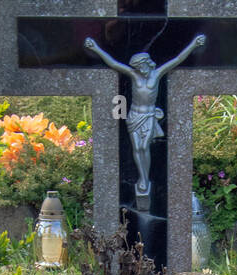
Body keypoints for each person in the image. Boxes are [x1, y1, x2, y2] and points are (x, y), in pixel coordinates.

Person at [83, 34, 207, 201]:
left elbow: (177, 59)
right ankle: (142, 178)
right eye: (138, 67)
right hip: (134, 116)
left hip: (148, 116)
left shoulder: (157, 74)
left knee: (144, 147)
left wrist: (194, 44)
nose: (141, 70)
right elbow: (113, 63)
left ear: (147, 64)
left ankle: (144, 178)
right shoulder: (134, 76)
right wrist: (95, 48)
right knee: (137, 148)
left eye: (142, 66)